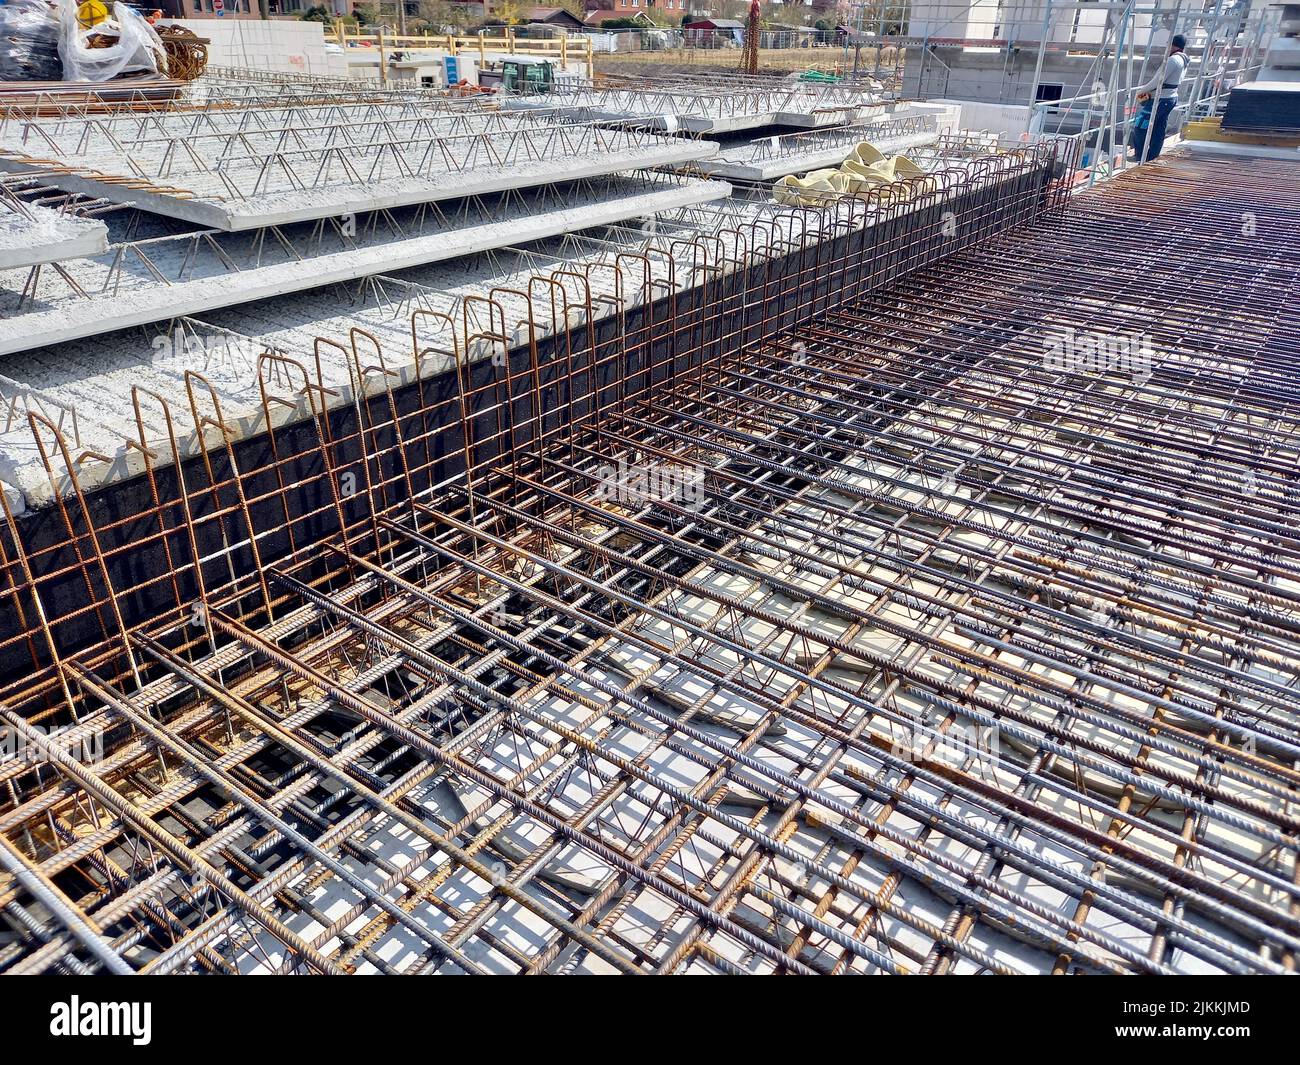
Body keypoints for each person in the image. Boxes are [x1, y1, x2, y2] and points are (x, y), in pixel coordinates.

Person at [1129, 34, 1189, 163]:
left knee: (1140, 126)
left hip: (1161, 99)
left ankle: (1140, 156)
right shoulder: (1183, 59)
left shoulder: (1173, 60)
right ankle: (1152, 156)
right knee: (1158, 128)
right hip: (1170, 98)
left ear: (1173, 45)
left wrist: (1140, 91)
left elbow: (1158, 81)